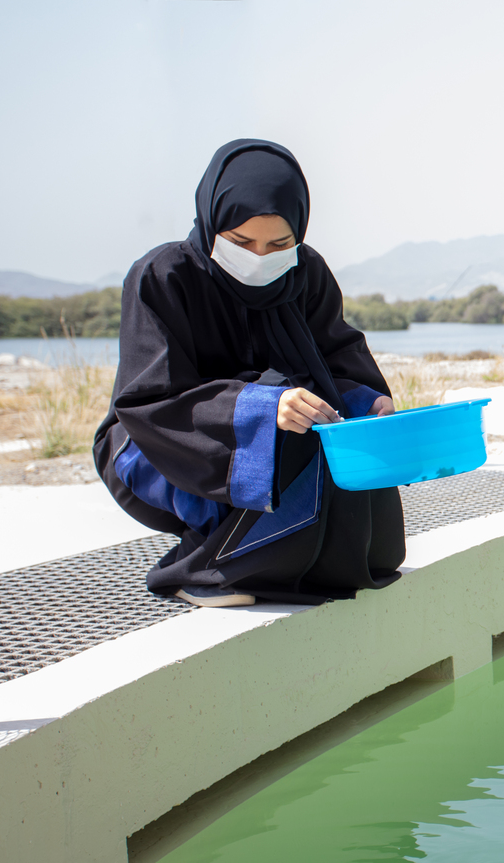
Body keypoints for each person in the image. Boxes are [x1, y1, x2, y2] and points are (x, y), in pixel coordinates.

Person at [94, 139, 405, 608]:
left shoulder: (306, 273)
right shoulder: (164, 275)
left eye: (279, 244)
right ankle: (200, 570)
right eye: (241, 242)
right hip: (156, 446)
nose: (260, 256)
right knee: (284, 427)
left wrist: (368, 401)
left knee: (374, 543)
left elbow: (335, 358)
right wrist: (264, 408)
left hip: (279, 433)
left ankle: (270, 558)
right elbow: (147, 400)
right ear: (213, 221)